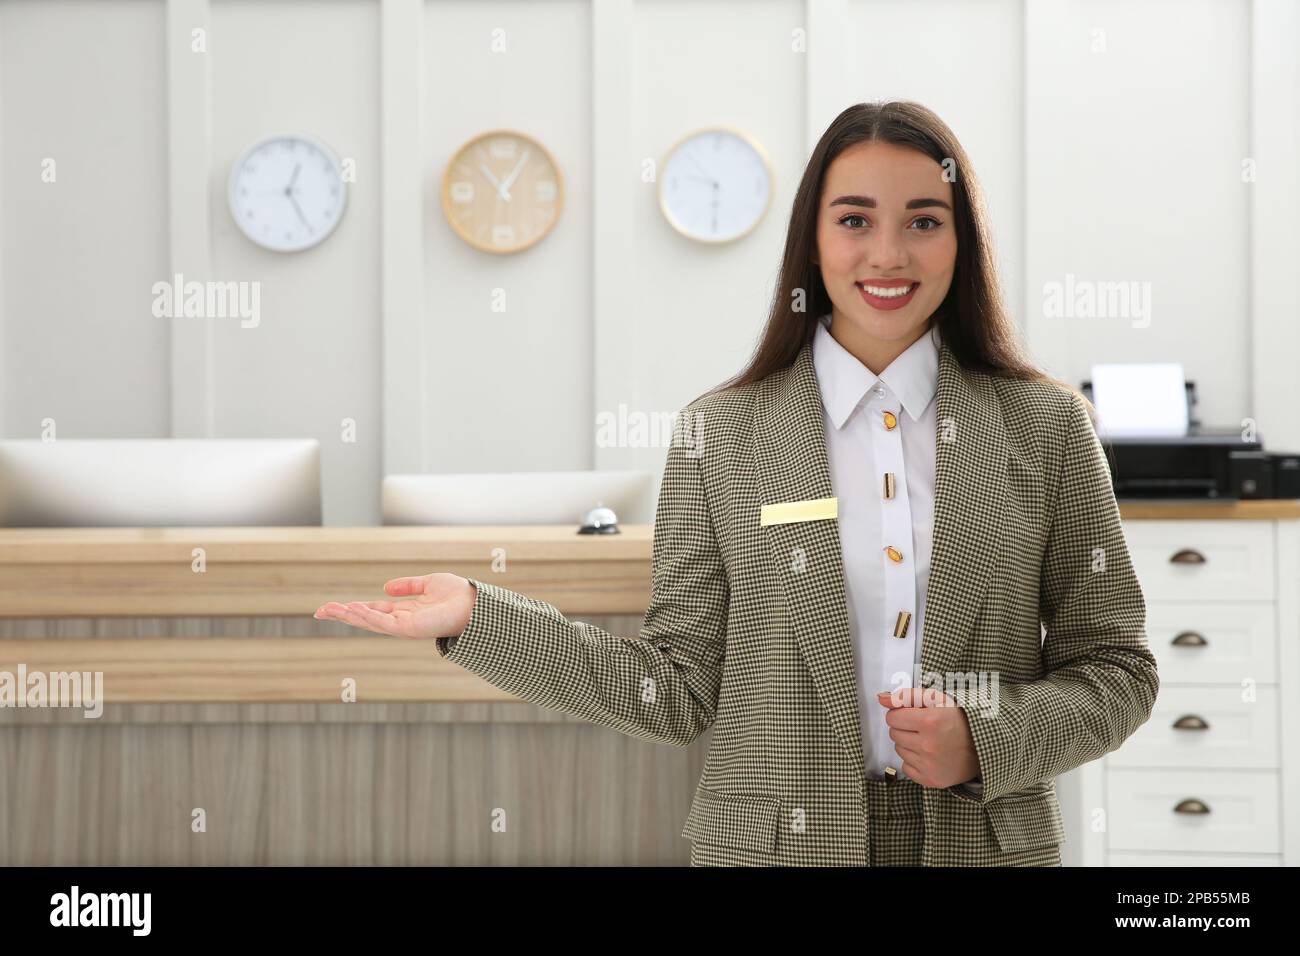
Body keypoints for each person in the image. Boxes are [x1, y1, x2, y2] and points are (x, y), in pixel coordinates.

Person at [315, 100, 1159, 867]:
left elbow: (1115, 668)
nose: (888, 253)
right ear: (813, 239)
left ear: (961, 240)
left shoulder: (1047, 427)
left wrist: (987, 736)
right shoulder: (719, 434)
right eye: (854, 219)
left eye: (924, 221)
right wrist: (480, 616)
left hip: (984, 848)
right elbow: (677, 691)